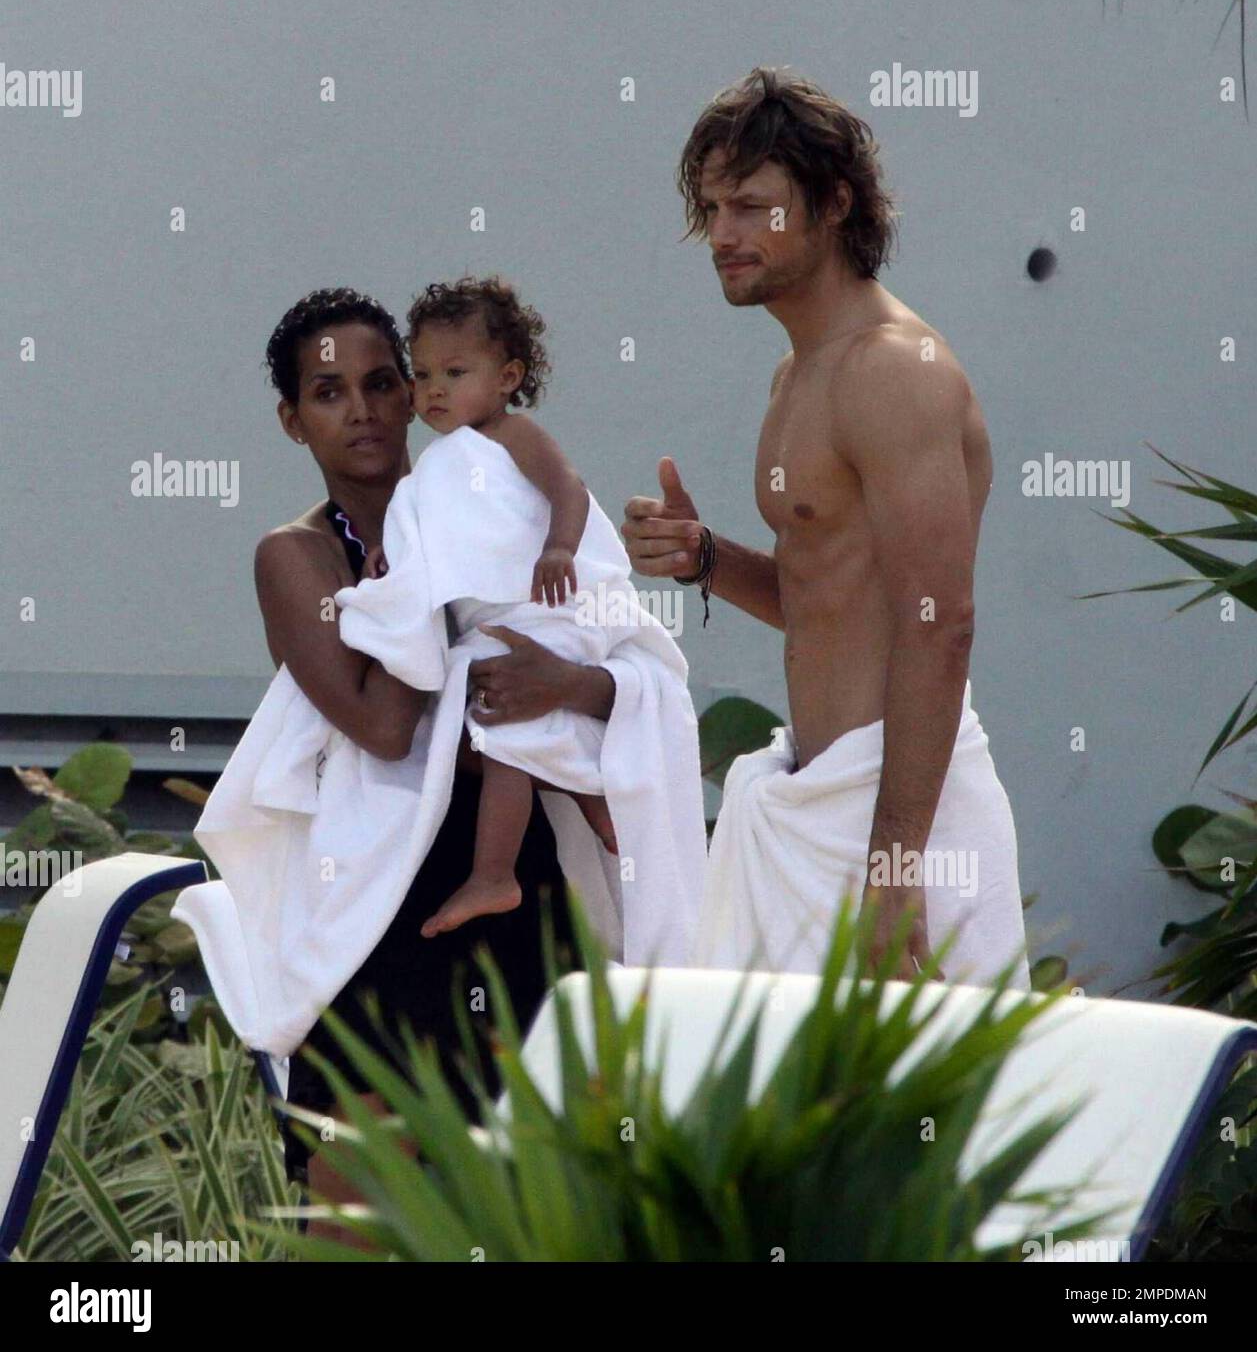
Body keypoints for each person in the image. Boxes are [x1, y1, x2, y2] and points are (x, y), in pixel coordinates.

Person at [621, 66, 1031, 988]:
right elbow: (827, 598)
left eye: (751, 207)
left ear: (835, 201)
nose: (722, 234)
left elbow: (940, 622)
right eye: (711, 208)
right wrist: (707, 559)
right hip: (816, 800)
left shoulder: (893, 369)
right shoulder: (797, 374)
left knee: (927, 1128)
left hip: (904, 823)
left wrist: (894, 865)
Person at [256, 287, 619, 1247]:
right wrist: (427, 588)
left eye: (384, 382)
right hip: (378, 905)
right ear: (293, 421)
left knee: (542, 1212)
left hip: (511, 878)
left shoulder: (492, 504)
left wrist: (563, 681)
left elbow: (597, 672)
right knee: (353, 1217)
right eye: (329, 392)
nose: (367, 408)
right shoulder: (296, 556)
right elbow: (380, 727)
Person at [358, 275, 629, 939]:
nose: (434, 391)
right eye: (421, 375)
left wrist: (561, 549)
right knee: (499, 717)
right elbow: (429, 538)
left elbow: (568, 490)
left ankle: (494, 874)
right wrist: (390, 565)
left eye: (455, 372)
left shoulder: (514, 434)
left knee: (503, 728)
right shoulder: (437, 465)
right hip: (496, 621)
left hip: (551, 604)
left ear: (507, 376)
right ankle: (593, 801)